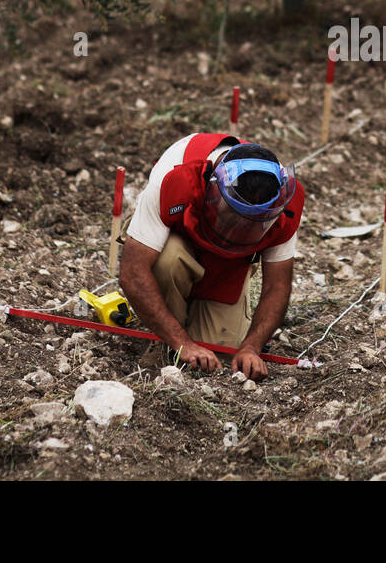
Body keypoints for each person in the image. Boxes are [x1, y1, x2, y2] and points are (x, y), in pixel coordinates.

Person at [118, 132, 303, 382]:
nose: (239, 230)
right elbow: (133, 273)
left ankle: (195, 317)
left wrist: (252, 346)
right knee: (169, 260)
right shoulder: (173, 175)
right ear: (214, 187)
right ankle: (166, 335)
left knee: (219, 356)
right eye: (233, 218)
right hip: (178, 247)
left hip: (229, 269)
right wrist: (182, 343)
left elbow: (277, 286)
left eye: (251, 225)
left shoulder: (282, 202)